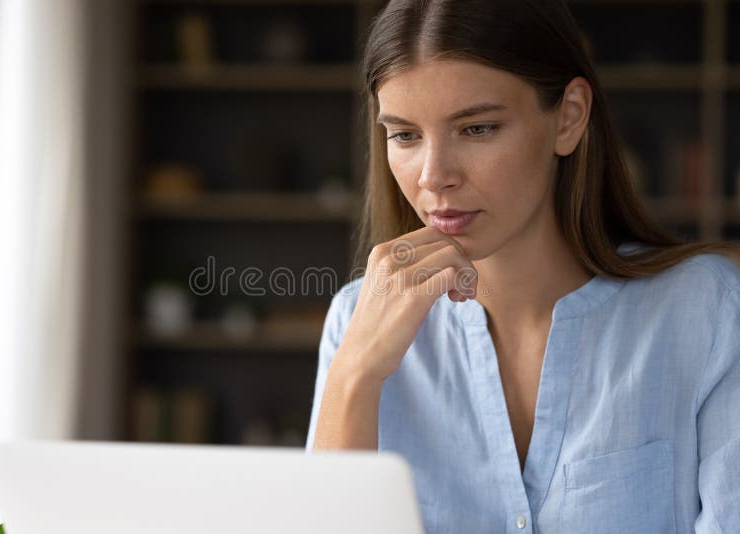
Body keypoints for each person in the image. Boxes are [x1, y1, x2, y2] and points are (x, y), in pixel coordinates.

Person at [305, 0, 740, 532]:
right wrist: (354, 377)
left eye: (478, 129)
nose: (434, 176)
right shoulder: (355, 320)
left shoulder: (706, 312)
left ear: (569, 118)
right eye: (405, 135)